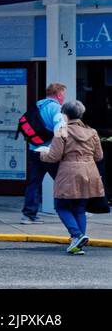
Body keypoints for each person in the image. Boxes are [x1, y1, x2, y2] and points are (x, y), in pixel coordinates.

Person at [39, 100, 105, 255]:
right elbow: (99, 156)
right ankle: (78, 243)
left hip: (68, 173)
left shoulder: (62, 130)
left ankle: (77, 235)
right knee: (80, 208)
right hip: (89, 172)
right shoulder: (92, 132)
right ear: (81, 114)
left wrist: (43, 154)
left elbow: (54, 156)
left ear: (64, 114)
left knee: (61, 206)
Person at [21, 82, 68, 223]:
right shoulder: (57, 108)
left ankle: (28, 215)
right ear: (59, 94)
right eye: (63, 95)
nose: (64, 98)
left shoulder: (37, 105)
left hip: (33, 150)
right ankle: (71, 210)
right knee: (63, 181)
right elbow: (60, 129)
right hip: (50, 152)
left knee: (34, 183)